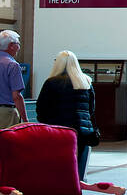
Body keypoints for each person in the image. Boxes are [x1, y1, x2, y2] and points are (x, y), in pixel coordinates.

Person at [35, 50, 98, 180]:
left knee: (60, 167)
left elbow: (41, 109)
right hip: (82, 132)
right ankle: (77, 191)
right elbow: (91, 108)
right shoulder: (86, 82)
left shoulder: (51, 82)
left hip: (58, 131)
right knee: (79, 167)